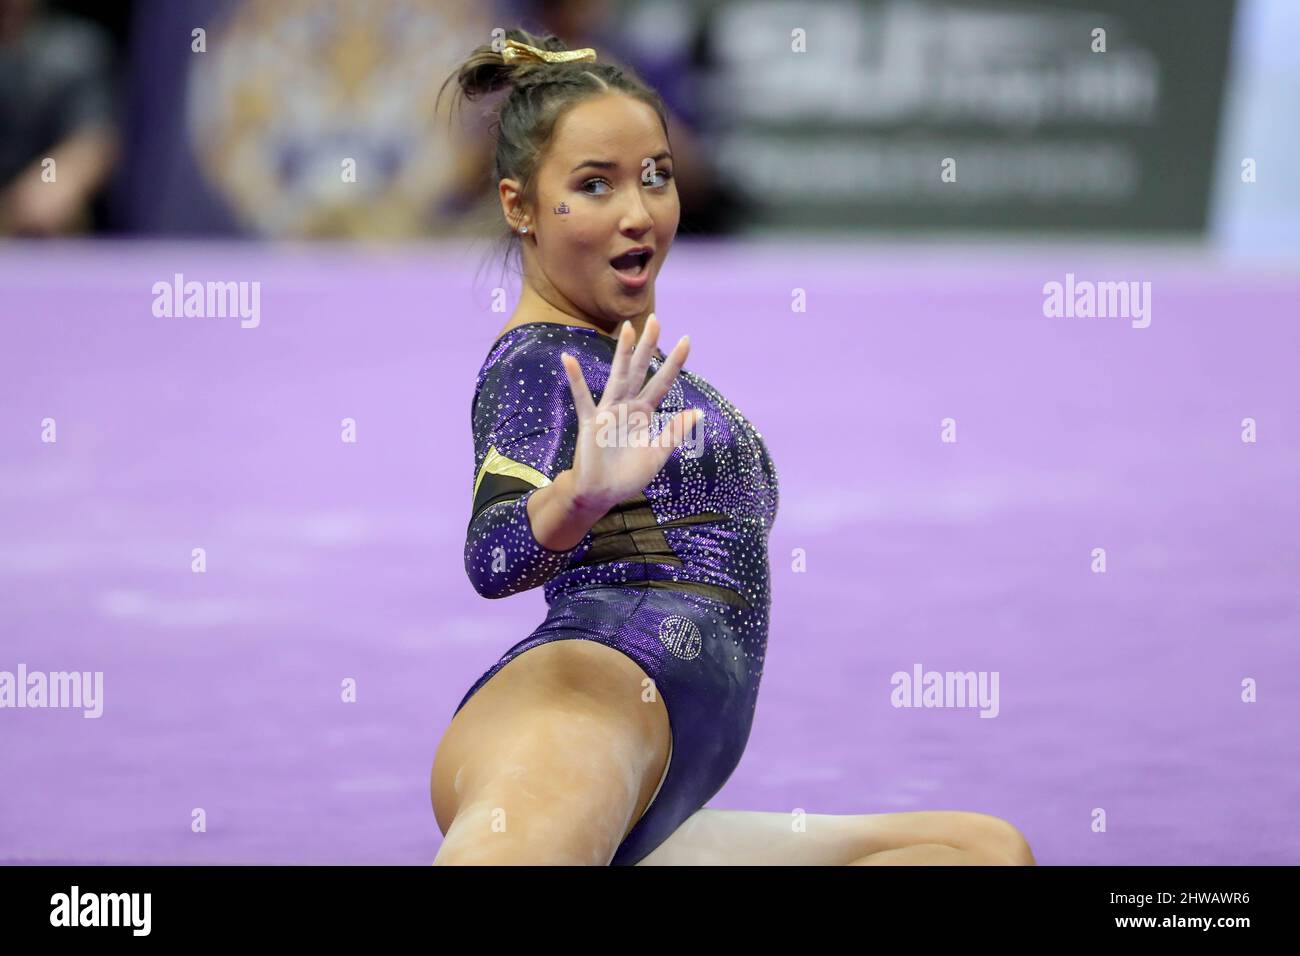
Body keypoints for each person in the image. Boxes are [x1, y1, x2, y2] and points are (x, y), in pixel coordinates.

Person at [429, 29, 1036, 866]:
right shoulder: (543, 362)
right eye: (594, 186)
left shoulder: (623, 359)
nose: (638, 213)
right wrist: (578, 496)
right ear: (520, 206)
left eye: (656, 177)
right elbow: (492, 555)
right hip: (577, 717)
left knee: (980, 852)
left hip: (661, 784)